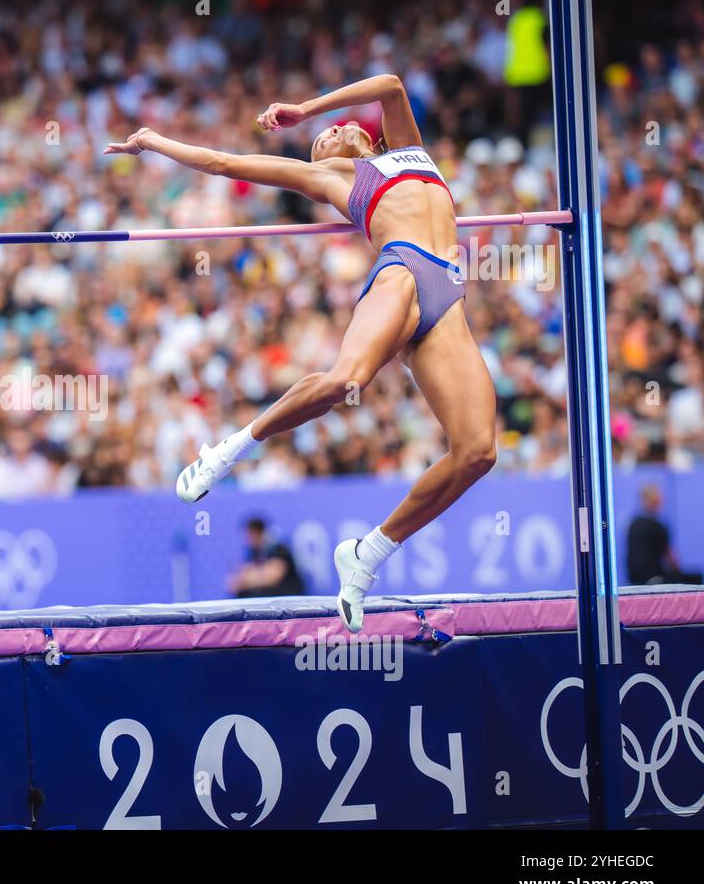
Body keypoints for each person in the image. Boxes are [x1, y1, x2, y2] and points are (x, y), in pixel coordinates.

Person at [106, 74, 497, 632]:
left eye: (331, 130)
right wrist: (154, 142)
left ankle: (367, 554)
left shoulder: (409, 148)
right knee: (345, 381)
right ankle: (229, 449)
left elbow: (390, 84)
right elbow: (224, 163)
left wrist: (304, 109)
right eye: (319, 138)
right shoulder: (333, 177)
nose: (328, 133)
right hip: (403, 272)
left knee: (478, 451)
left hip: (448, 298)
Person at [626, 483, 703, 585]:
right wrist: (678, 574)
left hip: (635, 579)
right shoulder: (658, 526)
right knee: (695, 578)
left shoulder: (633, 524)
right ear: (657, 501)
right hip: (655, 578)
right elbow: (670, 558)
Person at [228, 517, 305, 598]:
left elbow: (272, 577)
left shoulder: (278, 549)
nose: (247, 539)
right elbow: (237, 580)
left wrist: (247, 580)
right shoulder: (253, 552)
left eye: (249, 535)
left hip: (286, 596)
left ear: (257, 533)